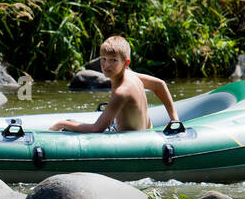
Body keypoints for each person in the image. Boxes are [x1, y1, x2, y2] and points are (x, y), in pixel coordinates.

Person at [50, 35, 180, 133]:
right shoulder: (132, 75)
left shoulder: (121, 92)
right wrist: (174, 119)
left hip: (130, 140)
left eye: (113, 60)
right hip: (145, 130)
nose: (106, 65)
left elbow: (96, 129)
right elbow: (160, 85)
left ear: (126, 63)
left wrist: (62, 124)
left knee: (67, 125)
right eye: (103, 59)